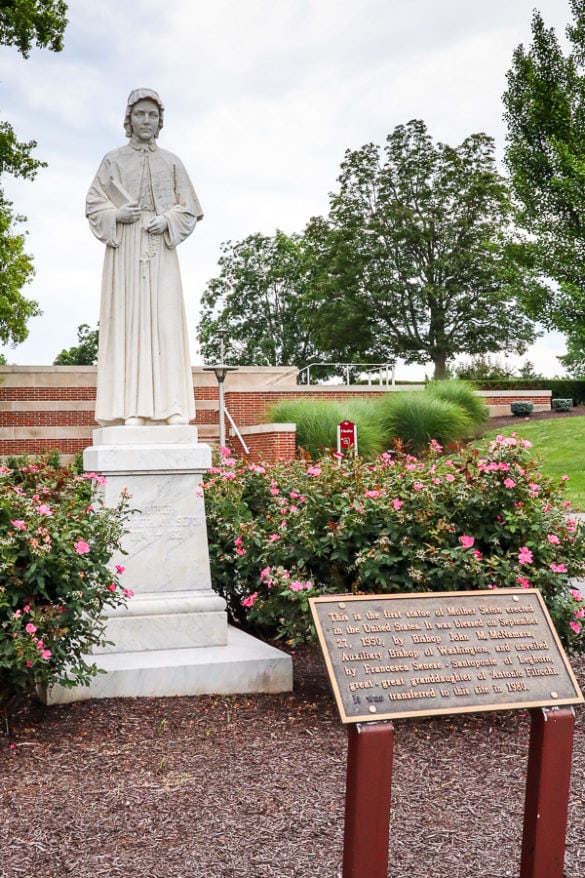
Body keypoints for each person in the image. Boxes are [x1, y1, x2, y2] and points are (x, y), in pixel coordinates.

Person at [86, 88, 203, 426]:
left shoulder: (172, 162)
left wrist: (167, 220)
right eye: (140, 114)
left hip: (161, 248)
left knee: (166, 326)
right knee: (129, 325)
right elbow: (94, 204)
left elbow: (190, 209)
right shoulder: (113, 160)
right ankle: (132, 409)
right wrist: (117, 214)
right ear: (129, 118)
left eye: (153, 115)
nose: (147, 121)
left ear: (160, 120)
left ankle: (173, 407)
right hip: (126, 249)